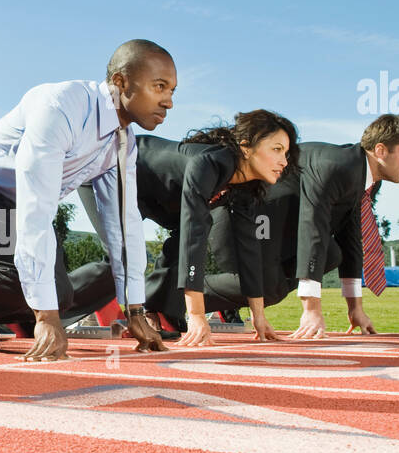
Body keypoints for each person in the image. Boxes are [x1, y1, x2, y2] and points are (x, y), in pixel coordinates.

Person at [0, 41, 175, 362]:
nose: (169, 102)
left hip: (12, 199)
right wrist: (45, 317)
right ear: (121, 82)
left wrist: (135, 308)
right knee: (30, 285)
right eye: (159, 86)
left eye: (172, 91)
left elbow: (124, 225)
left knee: (59, 294)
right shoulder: (62, 107)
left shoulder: (122, 144)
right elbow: (36, 209)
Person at [68, 110, 297, 347]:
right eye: (277, 149)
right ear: (246, 147)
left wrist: (258, 316)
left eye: (287, 153)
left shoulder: (244, 188)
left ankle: (156, 310)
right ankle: (42, 308)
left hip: (154, 197)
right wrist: (197, 315)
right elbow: (193, 233)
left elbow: (249, 251)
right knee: (125, 256)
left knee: (189, 235)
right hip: (111, 170)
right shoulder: (209, 163)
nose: (284, 161)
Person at [287, 113, 399, 338]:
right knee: (267, 286)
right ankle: (225, 303)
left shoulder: (368, 181)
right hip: (251, 220)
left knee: (333, 253)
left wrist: (355, 308)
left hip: (285, 229)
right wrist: (311, 310)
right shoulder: (338, 167)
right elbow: (313, 227)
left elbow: (350, 238)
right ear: (380, 151)